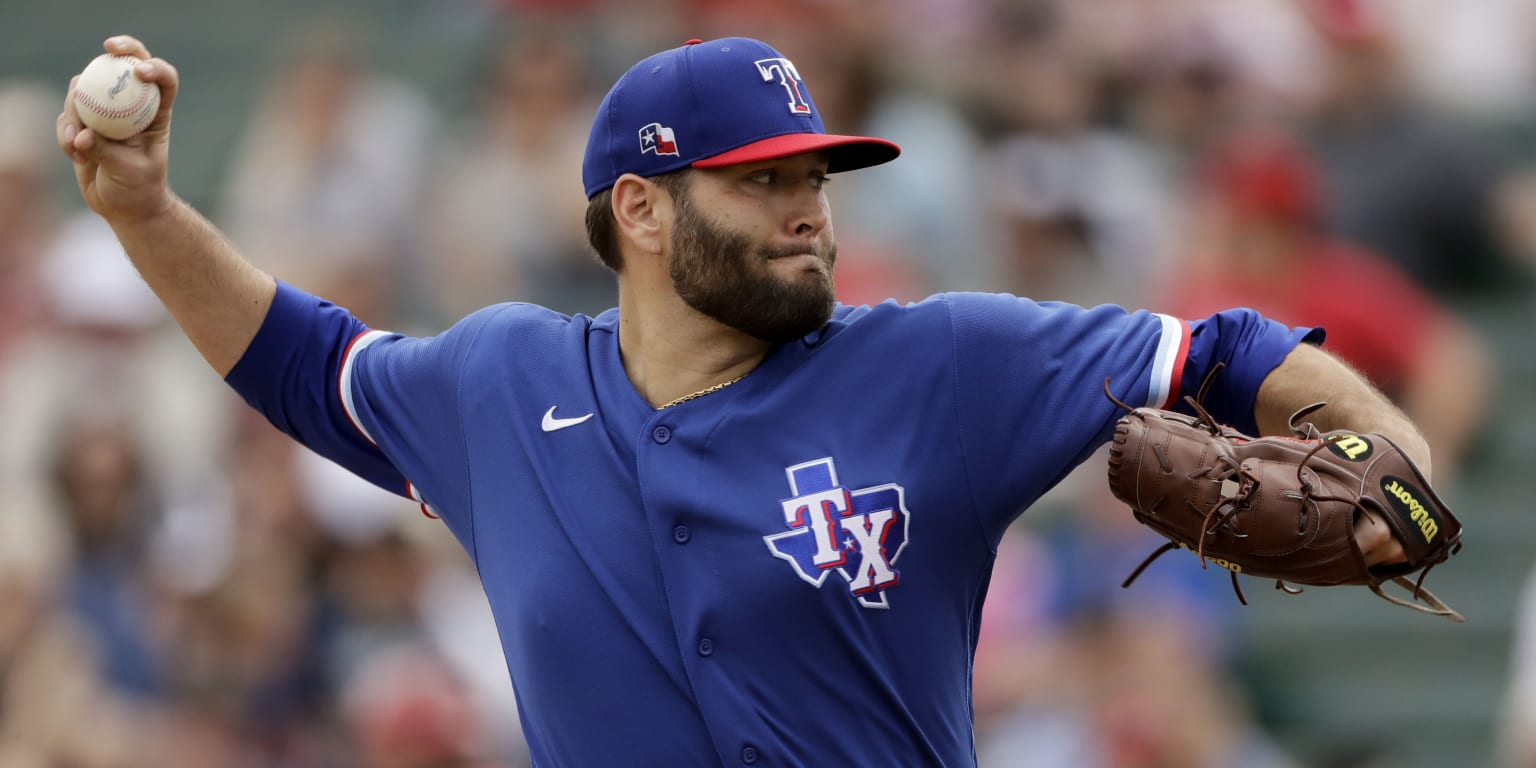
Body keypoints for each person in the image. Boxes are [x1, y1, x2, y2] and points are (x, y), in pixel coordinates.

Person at [60, 34, 1433, 767]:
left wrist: (1387, 452)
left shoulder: (940, 364)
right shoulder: (501, 384)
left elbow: (1227, 348)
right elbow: (304, 361)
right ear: (644, 210)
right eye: (762, 181)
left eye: (815, 180)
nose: (809, 214)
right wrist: (144, 210)